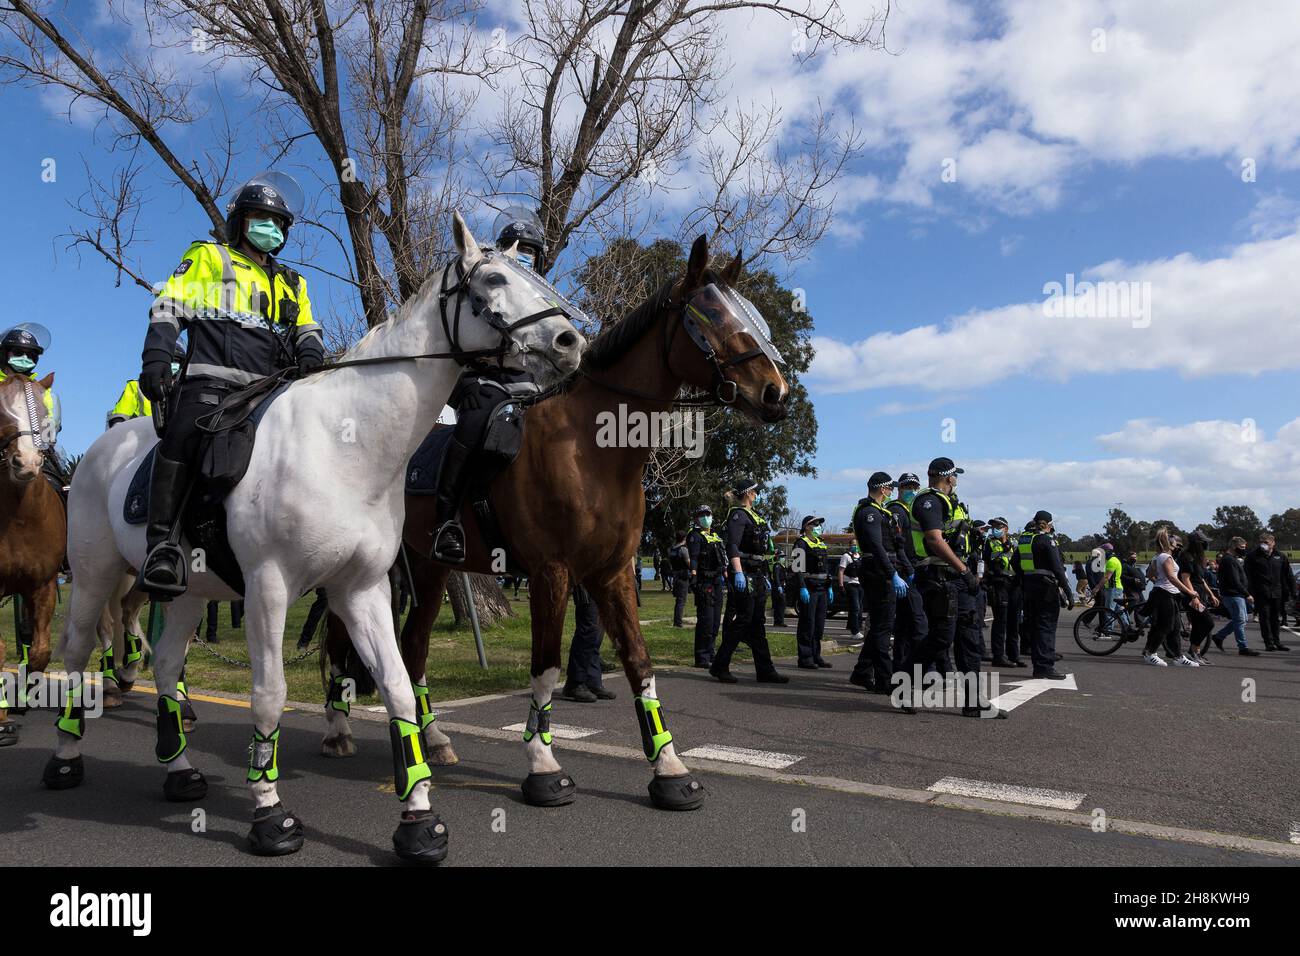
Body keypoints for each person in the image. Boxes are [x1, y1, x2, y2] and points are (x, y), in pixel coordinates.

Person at [138, 171, 323, 596]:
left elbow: (308, 329)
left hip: (275, 390)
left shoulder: (295, 282)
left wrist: (312, 353)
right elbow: (169, 305)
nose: (270, 228)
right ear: (239, 220)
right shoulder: (210, 257)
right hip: (213, 383)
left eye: (278, 223)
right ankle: (162, 547)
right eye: (260, 217)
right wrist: (157, 357)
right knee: (184, 434)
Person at [430, 206, 548, 563]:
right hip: (485, 381)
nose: (522, 255)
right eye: (515, 247)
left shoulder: (545, 297)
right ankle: (445, 522)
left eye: (529, 250)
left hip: (535, 385)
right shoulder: (484, 287)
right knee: (475, 421)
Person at [908, 458, 1003, 717]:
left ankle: (974, 702)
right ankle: (904, 684)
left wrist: (967, 573)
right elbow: (935, 540)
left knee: (969, 638)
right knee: (941, 638)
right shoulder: (929, 501)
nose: (957, 481)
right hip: (939, 578)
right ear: (948, 478)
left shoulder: (954, 503)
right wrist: (964, 571)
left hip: (958, 579)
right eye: (955, 477)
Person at [711, 479, 788, 684]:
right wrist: (737, 572)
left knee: (758, 623)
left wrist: (765, 574)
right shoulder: (738, 515)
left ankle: (765, 670)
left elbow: (762, 550)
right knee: (744, 620)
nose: (757, 494)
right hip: (744, 571)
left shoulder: (755, 517)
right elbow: (733, 546)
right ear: (748, 493)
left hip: (757, 572)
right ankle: (720, 665)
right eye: (755, 491)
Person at [850, 472, 912, 695]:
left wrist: (906, 570)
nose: (891, 492)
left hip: (881, 570)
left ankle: (862, 671)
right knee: (883, 628)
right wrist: (892, 573)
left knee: (879, 626)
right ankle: (885, 679)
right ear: (883, 489)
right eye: (889, 488)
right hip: (878, 572)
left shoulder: (878, 511)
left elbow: (893, 545)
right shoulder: (869, 512)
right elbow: (876, 546)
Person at [1, 322, 66, 487]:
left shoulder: (41, 388)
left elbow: (51, 422)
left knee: (57, 484)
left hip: (33, 447)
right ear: (4, 354)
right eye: (18, 353)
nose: (25, 358)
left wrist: (49, 432)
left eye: (30, 355)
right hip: (3, 446)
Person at [1016, 511, 1074, 679]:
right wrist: (1069, 592)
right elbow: (1057, 568)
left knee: (1034, 626)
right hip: (1046, 588)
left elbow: (1015, 562)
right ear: (1049, 524)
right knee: (1046, 627)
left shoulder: (1025, 540)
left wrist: (1024, 579)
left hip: (1029, 587)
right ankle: (1045, 666)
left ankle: (1038, 664)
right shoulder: (1048, 541)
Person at [887, 474, 929, 680]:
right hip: (905, 572)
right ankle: (925, 673)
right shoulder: (897, 510)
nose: (911, 490)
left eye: (914, 486)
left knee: (904, 626)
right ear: (899, 489)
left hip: (913, 570)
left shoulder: (912, 511)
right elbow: (898, 544)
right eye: (907, 487)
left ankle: (900, 671)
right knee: (919, 624)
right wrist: (909, 570)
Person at [1141, 530, 1203, 667]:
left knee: (1175, 627)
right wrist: (1189, 592)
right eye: (1176, 544)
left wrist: (1157, 580)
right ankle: (1150, 653)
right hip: (1164, 594)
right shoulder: (1165, 557)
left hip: (1167, 593)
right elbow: (1171, 577)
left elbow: (1150, 574)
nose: (1178, 546)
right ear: (1169, 544)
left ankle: (1178, 657)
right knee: (1165, 626)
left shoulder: (1158, 557)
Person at [789, 515, 832, 669]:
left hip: (822, 588)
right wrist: (802, 587)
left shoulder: (821, 544)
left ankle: (816, 655)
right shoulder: (801, 543)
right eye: (815, 524)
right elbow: (797, 568)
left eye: (819, 524)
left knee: (819, 624)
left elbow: (826, 568)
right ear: (806, 526)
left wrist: (830, 586)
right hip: (809, 587)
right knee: (808, 623)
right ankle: (805, 657)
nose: (818, 526)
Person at [686, 505, 726, 667]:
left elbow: (723, 558)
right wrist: (694, 576)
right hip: (704, 581)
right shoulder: (695, 536)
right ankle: (702, 656)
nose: (705, 518)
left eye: (708, 514)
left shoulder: (716, 535)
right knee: (706, 620)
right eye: (701, 515)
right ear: (696, 518)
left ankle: (711, 652)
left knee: (716, 621)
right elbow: (694, 558)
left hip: (717, 581)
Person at [562, 584, 617, 702]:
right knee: (589, 628)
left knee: (597, 632)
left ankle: (592, 681)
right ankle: (574, 682)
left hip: (602, 580)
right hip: (587, 579)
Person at [984, 517, 1022, 667]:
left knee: (1014, 621)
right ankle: (998, 656)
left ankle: (1014, 655)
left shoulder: (1015, 543)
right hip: (999, 583)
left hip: (1015, 583)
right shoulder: (990, 543)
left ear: (1006, 528)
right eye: (993, 526)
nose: (995, 528)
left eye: (998, 526)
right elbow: (986, 562)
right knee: (1000, 621)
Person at [1211, 538, 1259, 655]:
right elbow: (1234, 580)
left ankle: (1219, 636)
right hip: (1233, 594)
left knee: (1240, 620)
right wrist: (1247, 594)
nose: (1244, 550)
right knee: (1241, 620)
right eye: (1242, 547)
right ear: (1234, 546)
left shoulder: (1231, 559)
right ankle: (1242, 647)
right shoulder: (1229, 560)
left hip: (1235, 594)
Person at [1245, 532, 1288, 651]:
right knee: (1265, 617)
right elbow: (1247, 576)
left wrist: (1291, 591)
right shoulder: (1252, 556)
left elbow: (1287, 575)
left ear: (1273, 543)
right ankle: (1268, 643)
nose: (1263, 545)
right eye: (1261, 542)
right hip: (1260, 593)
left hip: (1277, 592)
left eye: (1266, 542)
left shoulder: (1280, 556)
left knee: (1275, 618)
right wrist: (1248, 592)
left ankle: (1277, 642)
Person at [1181, 531, 1219, 664]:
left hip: (1200, 594)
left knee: (1198, 624)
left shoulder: (1197, 557)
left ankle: (1195, 653)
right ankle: (1192, 651)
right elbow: (1185, 578)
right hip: (1191, 596)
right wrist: (1193, 596)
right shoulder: (1186, 556)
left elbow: (1201, 579)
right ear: (1196, 543)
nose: (1206, 544)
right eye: (1203, 542)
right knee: (1208, 622)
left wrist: (1211, 594)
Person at [838, 542, 865, 640]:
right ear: (849, 545)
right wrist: (841, 585)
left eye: (857, 544)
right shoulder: (846, 556)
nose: (855, 546)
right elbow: (841, 571)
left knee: (860, 608)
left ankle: (855, 626)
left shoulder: (860, 556)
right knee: (855, 607)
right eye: (853, 544)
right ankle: (854, 631)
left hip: (860, 584)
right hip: (850, 584)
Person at [668, 530, 690, 628]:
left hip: (675, 576)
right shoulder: (683, 550)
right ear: (685, 538)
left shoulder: (672, 549)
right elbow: (689, 563)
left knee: (678, 600)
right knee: (681, 600)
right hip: (683, 576)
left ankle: (677, 620)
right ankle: (678, 622)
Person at [769, 546, 788, 627]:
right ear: (778, 557)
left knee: (781, 605)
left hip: (781, 586)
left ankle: (779, 621)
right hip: (777, 587)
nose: (783, 558)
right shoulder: (777, 565)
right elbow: (776, 576)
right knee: (779, 605)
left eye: (783, 557)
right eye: (782, 557)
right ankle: (778, 622)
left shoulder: (782, 566)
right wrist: (779, 586)